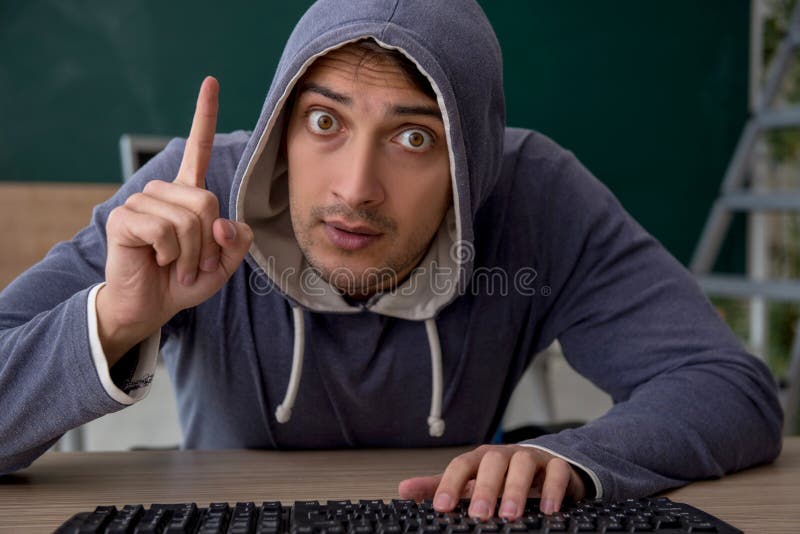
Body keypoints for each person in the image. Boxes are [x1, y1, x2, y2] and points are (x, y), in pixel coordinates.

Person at [0, 0, 782, 521]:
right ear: (280, 125)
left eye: (415, 137)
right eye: (323, 121)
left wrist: (572, 458)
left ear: (472, 160)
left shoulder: (536, 197)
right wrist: (117, 317)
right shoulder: (194, 193)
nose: (356, 189)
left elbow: (728, 387)